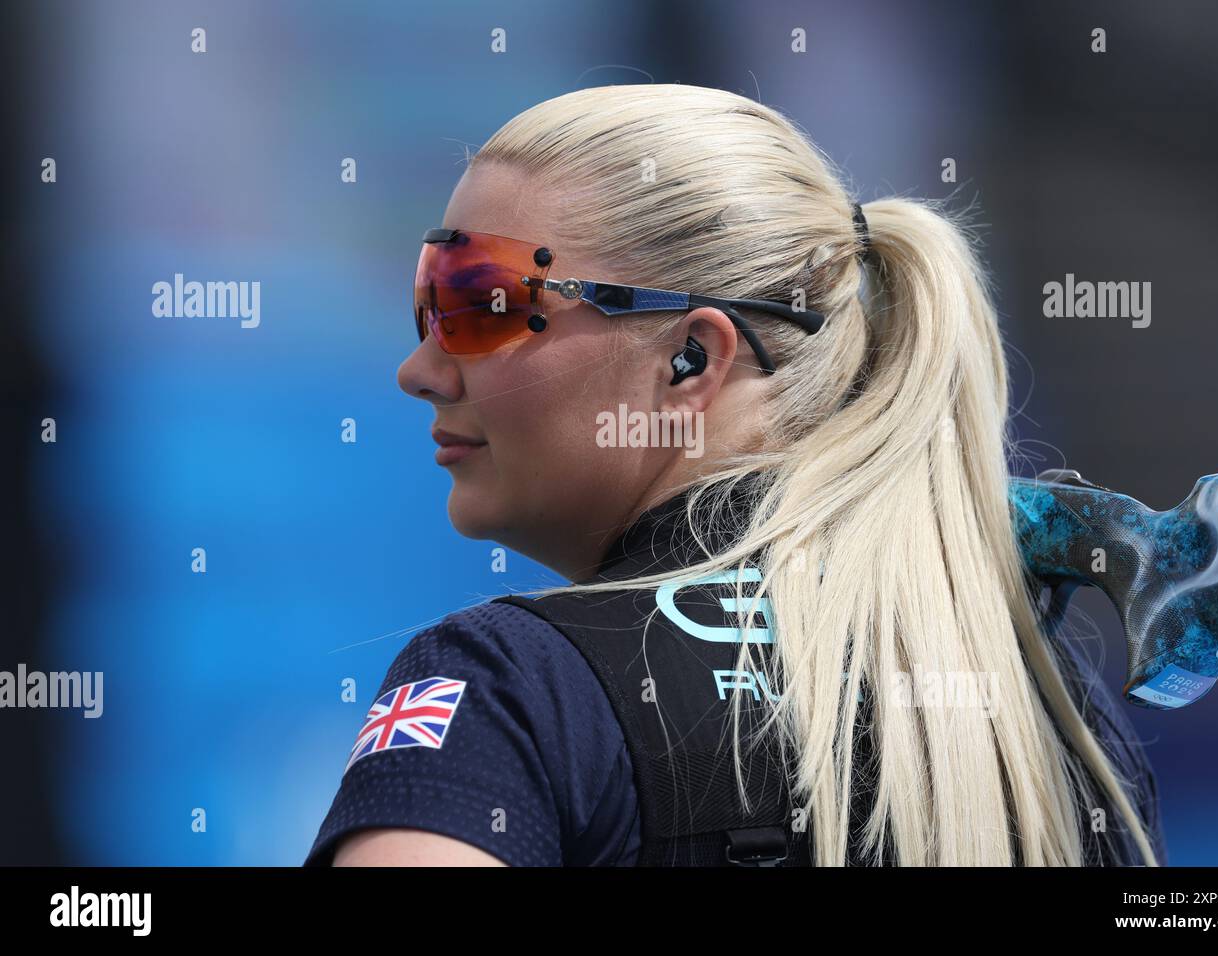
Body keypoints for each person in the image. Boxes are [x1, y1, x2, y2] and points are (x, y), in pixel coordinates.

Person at [304, 83, 1167, 867]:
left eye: (479, 306)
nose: (418, 369)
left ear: (689, 359)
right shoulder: (1045, 710)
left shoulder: (514, 684)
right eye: (429, 302)